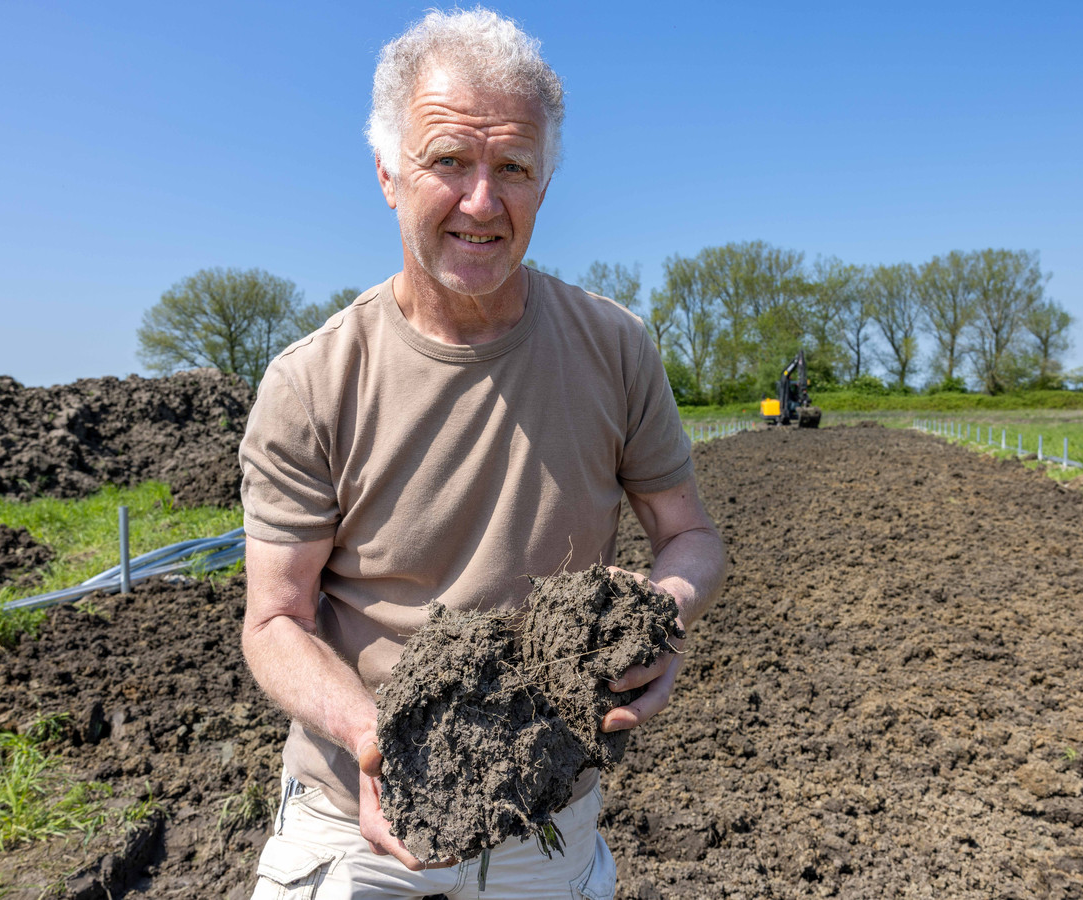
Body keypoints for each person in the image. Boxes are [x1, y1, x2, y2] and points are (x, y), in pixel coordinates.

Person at [238, 8, 725, 898]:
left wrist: (659, 618)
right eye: (448, 162)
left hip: (548, 815)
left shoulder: (613, 348)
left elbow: (688, 533)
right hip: (355, 819)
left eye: (513, 168)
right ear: (387, 172)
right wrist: (371, 736)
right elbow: (274, 620)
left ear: (545, 183)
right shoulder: (312, 382)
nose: (481, 202)